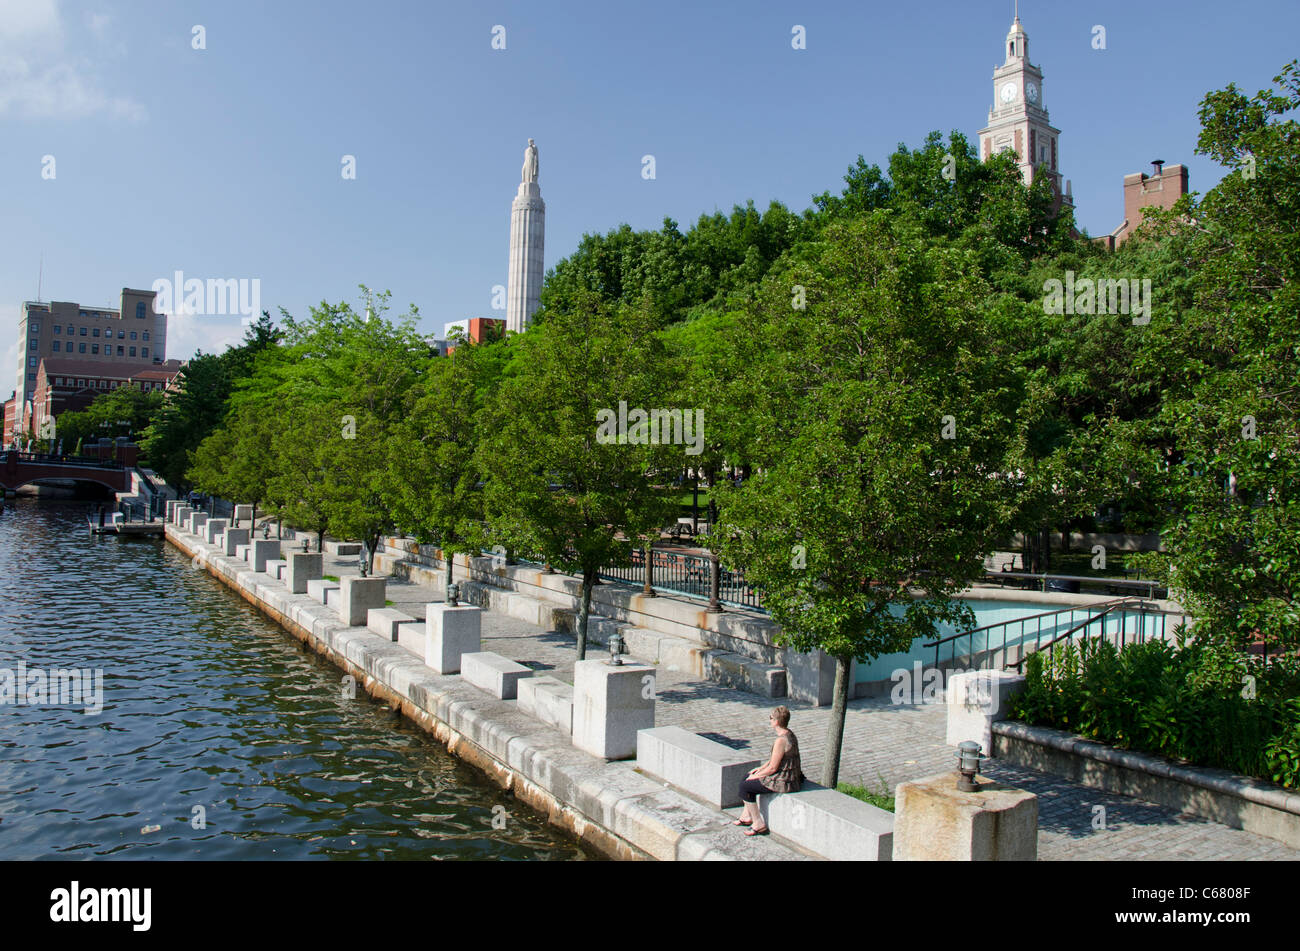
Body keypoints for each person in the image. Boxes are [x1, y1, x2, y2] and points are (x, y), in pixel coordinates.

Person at [734, 705, 802, 836]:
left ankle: (758, 822)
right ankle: (746, 816)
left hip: (783, 780)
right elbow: (774, 760)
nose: (769, 720)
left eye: (770, 718)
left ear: (776, 722)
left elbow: (773, 768)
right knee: (747, 776)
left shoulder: (781, 740)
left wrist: (758, 775)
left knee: (745, 786)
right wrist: (759, 769)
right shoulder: (789, 734)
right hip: (787, 774)